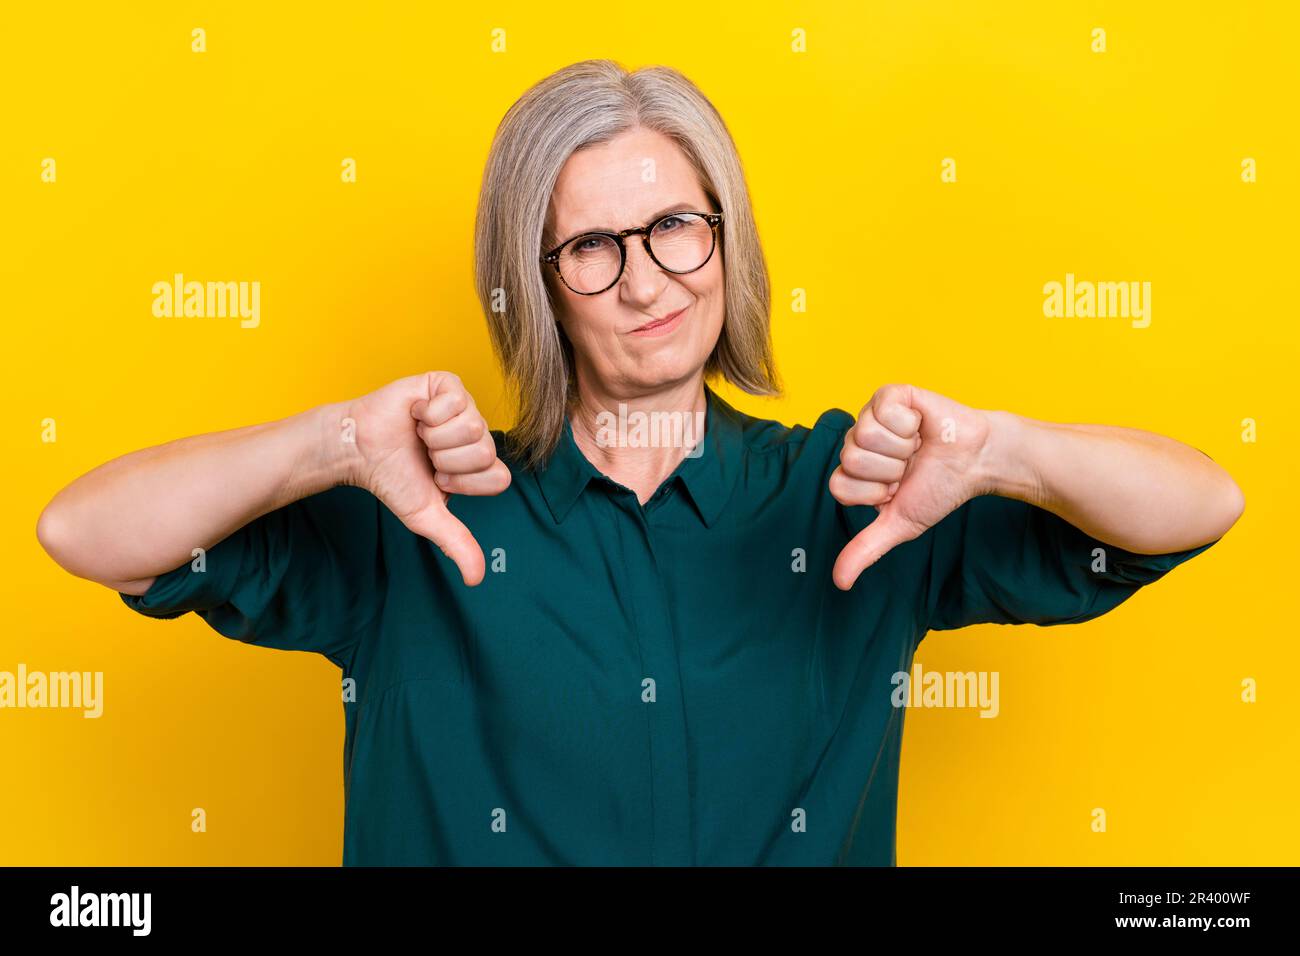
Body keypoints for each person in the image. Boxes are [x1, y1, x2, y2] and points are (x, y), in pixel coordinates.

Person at [36, 59, 1243, 865]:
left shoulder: (866, 495)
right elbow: (83, 532)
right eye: (594, 247)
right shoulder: (414, 516)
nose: (652, 278)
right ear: (535, 285)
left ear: (726, 235)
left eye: (676, 225)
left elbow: (1201, 504)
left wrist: (1009, 454)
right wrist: (332, 442)